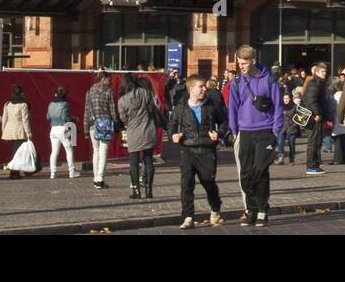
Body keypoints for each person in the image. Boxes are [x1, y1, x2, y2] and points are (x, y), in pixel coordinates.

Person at [227, 44, 282, 227]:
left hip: (265, 131)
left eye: (244, 63)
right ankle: (250, 209)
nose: (241, 66)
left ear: (253, 61)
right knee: (245, 173)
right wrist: (233, 130)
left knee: (260, 171)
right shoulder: (237, 81)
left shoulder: (270, 80)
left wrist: (276, 130)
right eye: (239, 63)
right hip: (245, 132)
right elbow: (233, 107)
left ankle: (262, 209)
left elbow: (278, 106)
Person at [170, 75, 226, 228]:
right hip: (187, 150)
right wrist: (173, 135)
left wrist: (218, 133)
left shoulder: (211, 105)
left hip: (206, 150)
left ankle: (215, 208)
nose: (204, 89)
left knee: (208, 182)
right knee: (186, 184)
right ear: (191, 89)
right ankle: (188, 216)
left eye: (204, 86)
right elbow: (171, 126)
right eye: (201, 86)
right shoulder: (180, 108)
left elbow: (224, 122)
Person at [118, 71, 161, 200]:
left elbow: (123, 118)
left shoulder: (122, 100)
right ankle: (149, 190)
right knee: (148, 159)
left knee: (134, 162)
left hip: (133, 131)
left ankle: (136, 191)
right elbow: (152, 107)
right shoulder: (145, 92)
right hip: (148, 128)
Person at [84, 70, 116, 189]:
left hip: (93, 124)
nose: (111, 81)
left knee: (96, 150)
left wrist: (85, 128)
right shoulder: (109, 92)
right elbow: (112, 110)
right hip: (105, 124)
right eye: (109, 79)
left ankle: (95, 177)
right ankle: (100, 178)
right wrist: (116, 124)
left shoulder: (90, 91)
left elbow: (86, 111)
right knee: (103, 151)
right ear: (103, 79)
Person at [301, 62, 330, 175]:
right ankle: (311, 166)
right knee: (313, 141)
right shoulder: (315, 84)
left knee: (317, 141)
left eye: (325, 71)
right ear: (316, 72)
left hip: (317, 116)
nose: (324, 73)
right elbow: (311, 100)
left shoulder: (319, 83)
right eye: (322, 71)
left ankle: (315, 164)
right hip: (314, 117)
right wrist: (317, 113)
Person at [1, 84, 33, 180]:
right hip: (19, 130)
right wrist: (28, 132)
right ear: (22, 93)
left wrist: (3, 131)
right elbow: (25, 120)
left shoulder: (7, 104)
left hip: (9, 129)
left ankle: (15, 171)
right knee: (17, 152)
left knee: (14, 151)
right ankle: (15, 172)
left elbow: (4, 119)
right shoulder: (23, 104)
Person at [47, 85, 77, 179]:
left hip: (53, 129)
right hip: (64, 128)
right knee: (69, 150)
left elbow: (48, 117)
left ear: (56, 94)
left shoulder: (50, 104)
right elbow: (65, 118)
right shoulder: (65, 104)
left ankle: (53, 173)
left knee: (54, 152)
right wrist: (74, 119)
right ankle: (72, 172)